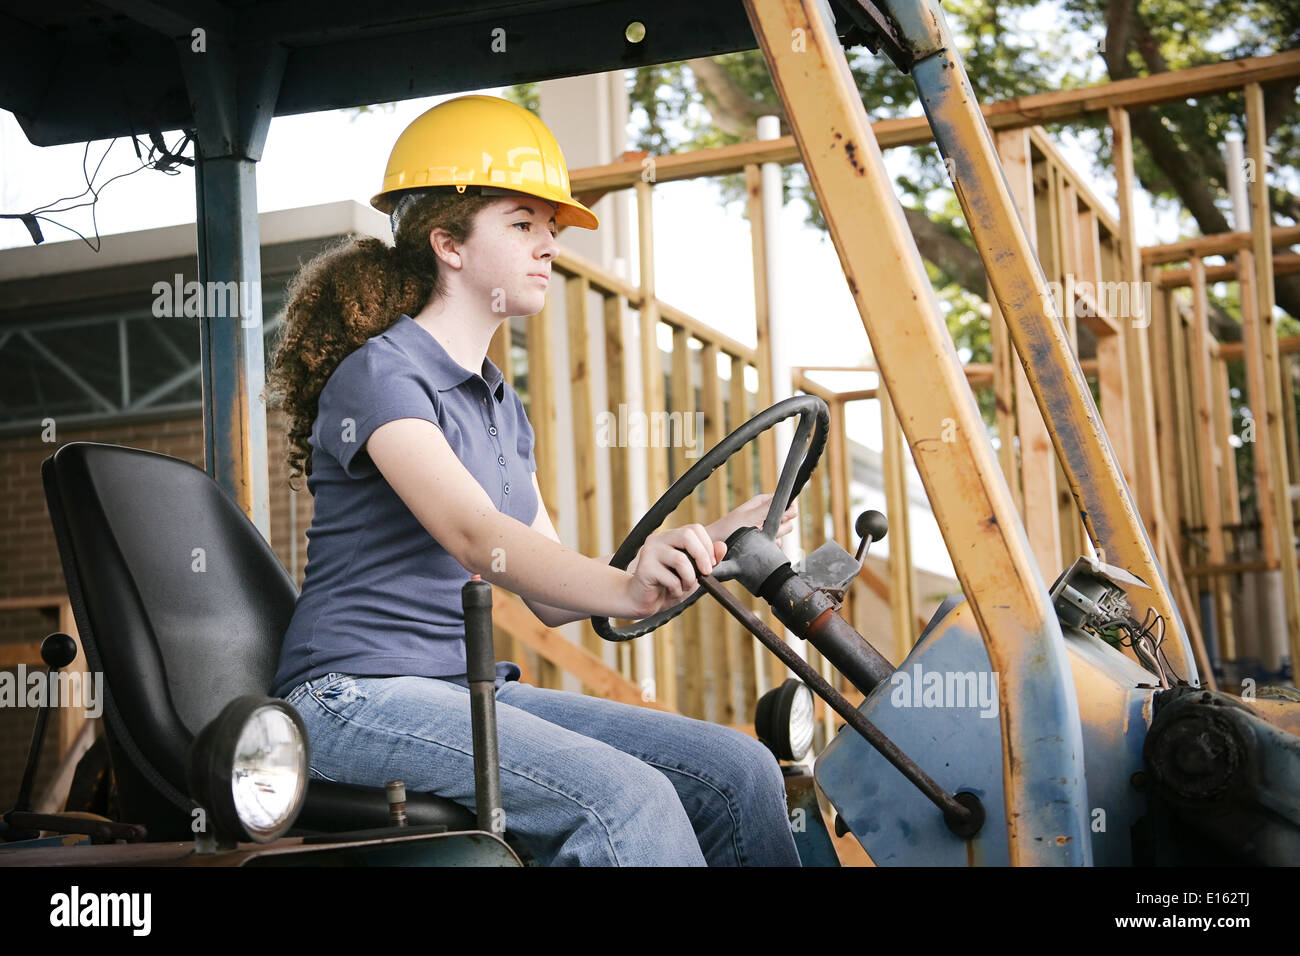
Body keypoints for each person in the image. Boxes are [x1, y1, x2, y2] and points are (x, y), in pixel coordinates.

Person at [265, 94, 802, 866]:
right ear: (448, 243)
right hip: (353, 699)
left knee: (737, 772)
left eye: (550, 229)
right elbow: (478, 536)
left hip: (463, 691)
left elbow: (548, 596)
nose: (547, 245)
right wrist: (626, 587)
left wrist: (706, 545)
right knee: (628, 800)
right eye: (522, 224)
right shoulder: (379, 374)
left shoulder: (499, 402)